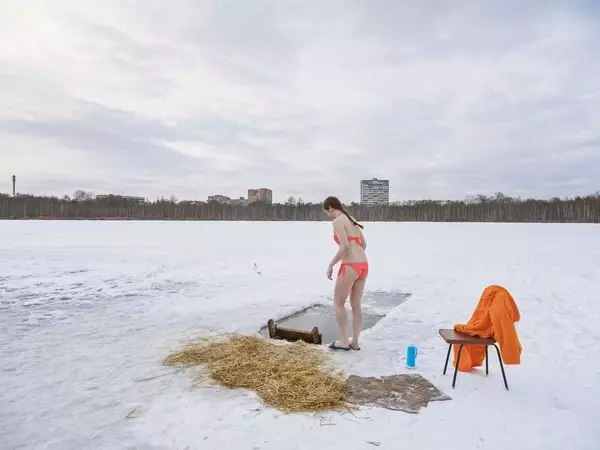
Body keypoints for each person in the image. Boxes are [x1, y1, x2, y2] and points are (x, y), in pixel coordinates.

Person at [323, 196, 368, 351]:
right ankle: (355, 342)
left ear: (330, 208)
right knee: (356, 305)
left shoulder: (337, 221)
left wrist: (331, 264)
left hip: (350, 266)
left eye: (327, 212)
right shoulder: (351, 219)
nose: (328, 216)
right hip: (363, 265)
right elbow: (364, 244)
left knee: (338, 303)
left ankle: (343, 341)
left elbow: (345, 247)